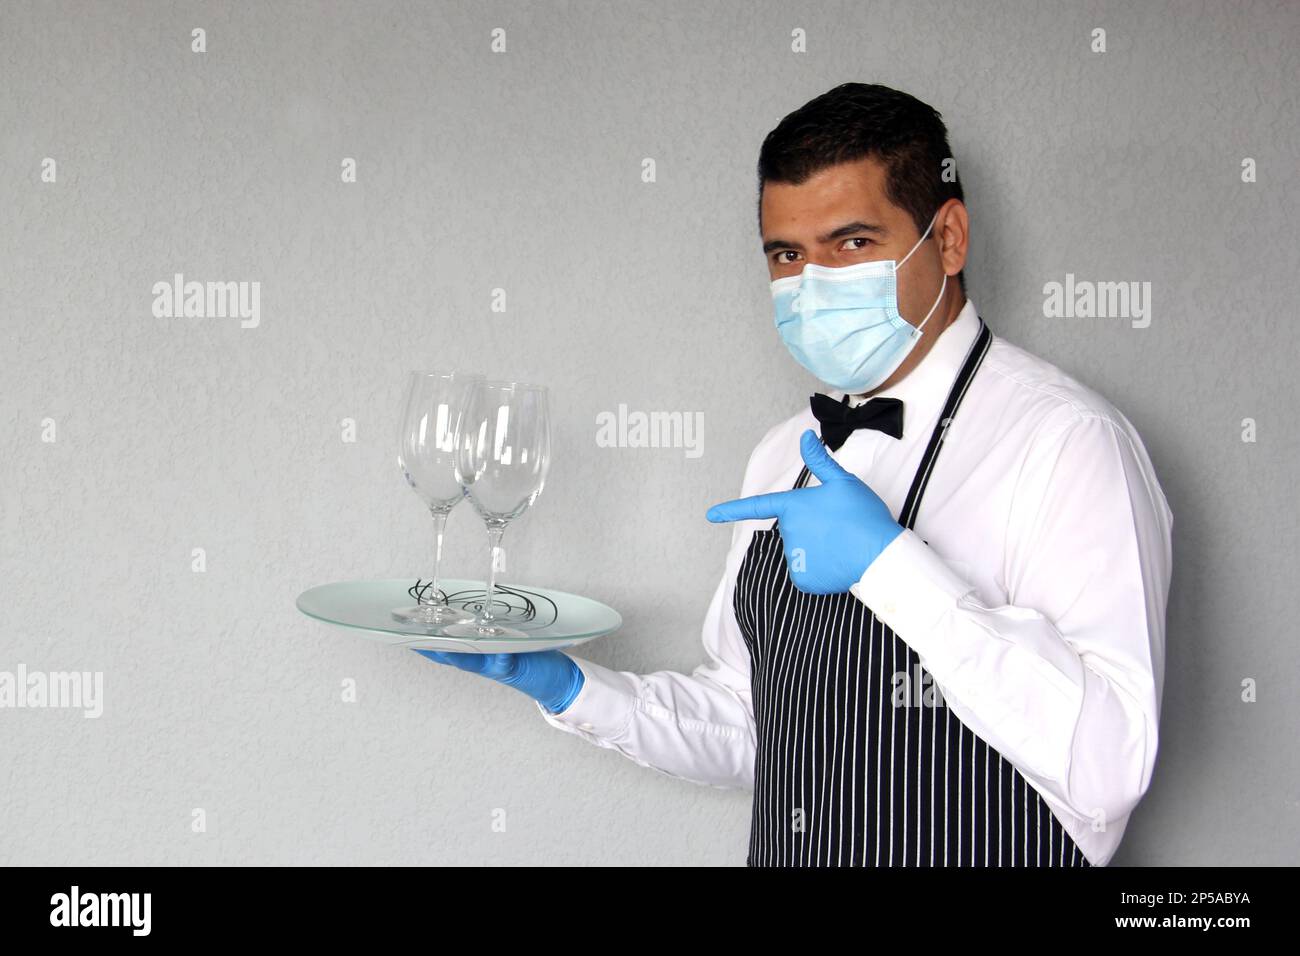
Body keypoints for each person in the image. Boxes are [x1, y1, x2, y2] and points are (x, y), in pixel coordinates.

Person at [417, 82, 1173, 868]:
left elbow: (1110, 764)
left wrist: (890, 565)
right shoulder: (785, 450)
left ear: (948, 239)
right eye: (787, 254)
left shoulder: (1070, 442)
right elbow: (752, 726)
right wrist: (568, 687)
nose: (812, 284)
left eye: (851, 244)